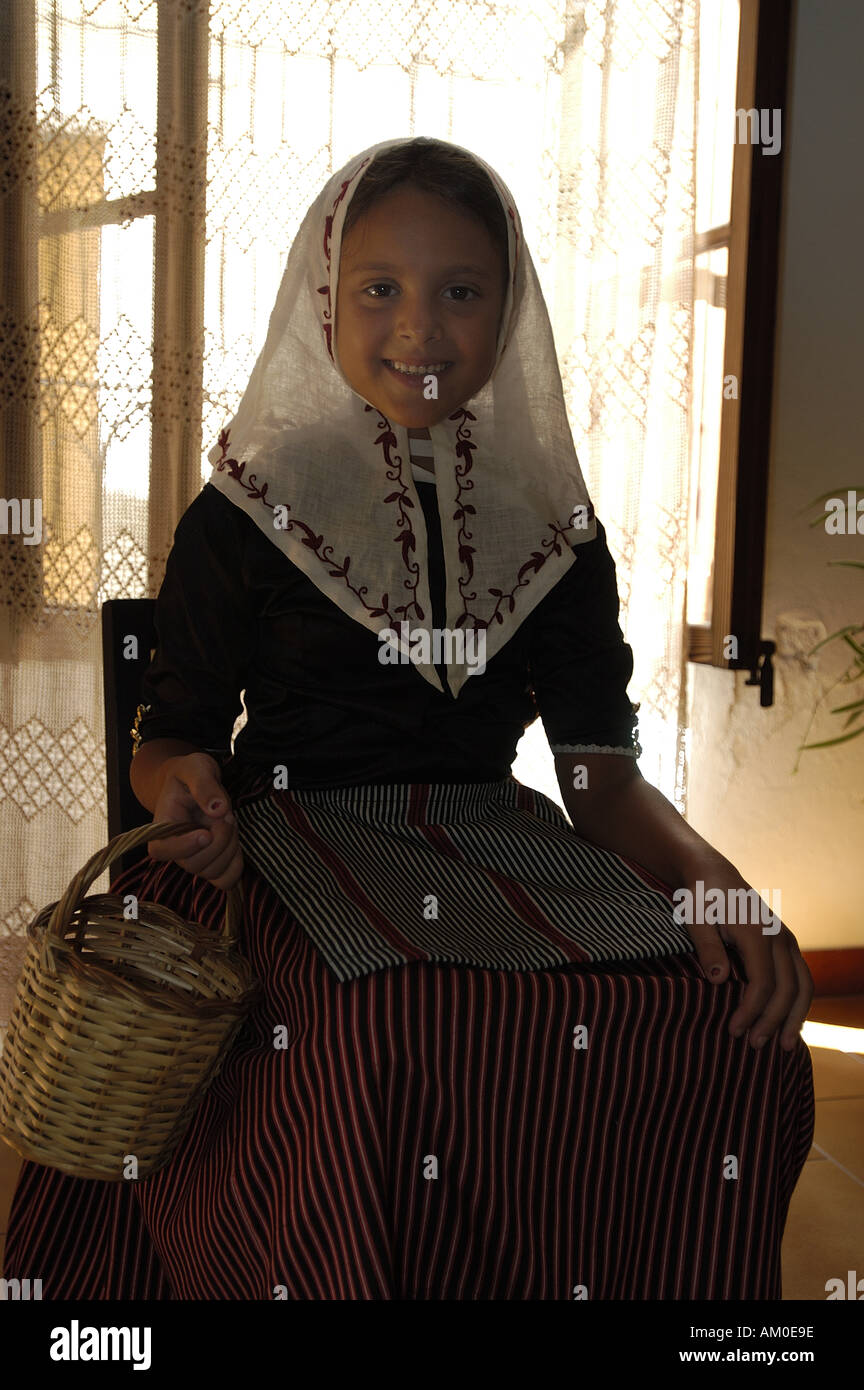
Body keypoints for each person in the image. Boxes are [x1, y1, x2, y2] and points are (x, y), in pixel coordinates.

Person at [3, 136, 814, 1301]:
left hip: (492, 835)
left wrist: (713, 881)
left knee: (725, 1015)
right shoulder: (250, 506)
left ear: (510, 307)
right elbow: (170, 736)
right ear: (327, 302)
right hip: (282, 836)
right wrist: (180, 788)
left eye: (461, 291)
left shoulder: (555, 527)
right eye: (380, 288)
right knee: (391, 1020)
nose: (419, 328)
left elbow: (597, 774)